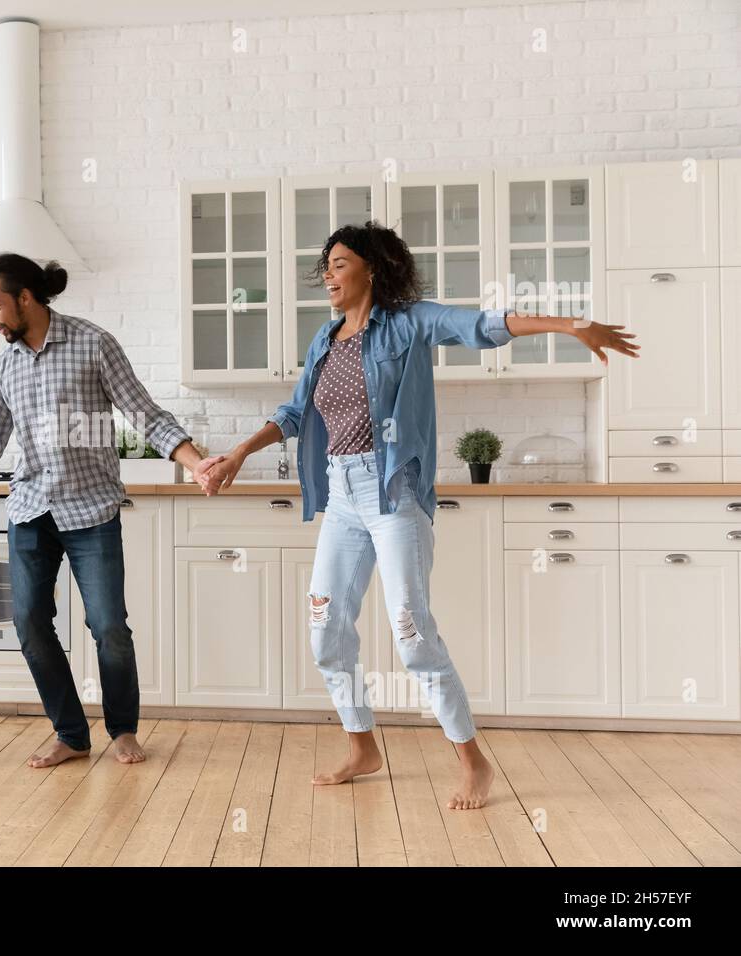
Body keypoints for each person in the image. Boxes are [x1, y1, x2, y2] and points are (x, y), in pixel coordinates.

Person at [199, 221, 639, 809]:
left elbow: (482, 326)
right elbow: (296, 411)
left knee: (412, 638)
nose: (328, 275)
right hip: (340, 499)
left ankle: (473, 762)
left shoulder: (409, 324)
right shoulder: (324, 341)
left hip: (392, 497)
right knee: (325, 630)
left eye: (339, 264)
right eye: (325, 266)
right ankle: (362, 748)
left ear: (372, 268)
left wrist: (568, 323)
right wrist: (238, 454)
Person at [0, 253, 213, 768]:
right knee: (28, 621)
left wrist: (196, 463)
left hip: (91, 509)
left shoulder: (92, 343)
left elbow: (145, 413)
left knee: (108, 624)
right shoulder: (5, 366)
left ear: (25, 298)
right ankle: (70, 733)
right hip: (30, 510)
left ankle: (123, 729)